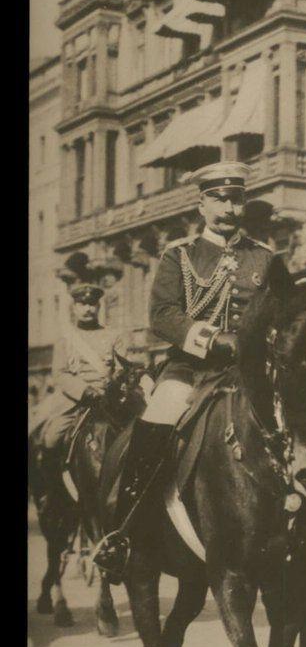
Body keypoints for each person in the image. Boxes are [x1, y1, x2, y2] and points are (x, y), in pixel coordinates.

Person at [94, 162, 274, 576]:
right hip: (192, 368)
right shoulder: (180, 255)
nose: (229, 207)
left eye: (236, 198)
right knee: (156, 419)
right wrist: (210, 338)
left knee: (300, 423)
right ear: (202, 204)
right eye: (220, 199)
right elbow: (162, 314)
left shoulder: (263, 257)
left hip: (251, 372)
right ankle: (125, 531)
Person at [31, 284, 125, 454]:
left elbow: (122, 368)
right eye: (82, 304)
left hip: (109, 398)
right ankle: (54, 480)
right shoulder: (65, 340)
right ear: (74, 308)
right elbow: (60, 374)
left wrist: (114, 383)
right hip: (75, 402)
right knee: (51, 439)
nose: (87, 309)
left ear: (98, 306)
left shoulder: (113, 336)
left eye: (92, 304)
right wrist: (84, 391)